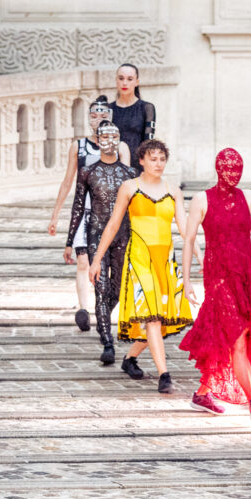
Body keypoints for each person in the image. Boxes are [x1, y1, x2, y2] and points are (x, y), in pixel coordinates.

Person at [179, 148, 251, 416]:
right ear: (218, 169)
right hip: (219, 279)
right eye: (227, 169)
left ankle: (201, 394)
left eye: (237, 169)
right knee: (237, 339)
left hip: (246, 277)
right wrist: (187, 281)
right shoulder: (202, 199)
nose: (232, 174)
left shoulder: (249, 197)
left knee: (240, 334)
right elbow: (188, 241)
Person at [89, 139, 192, 393]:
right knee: (153, 317)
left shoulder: (173, 190)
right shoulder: (129, 187)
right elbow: (113, 224)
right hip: (139, 257)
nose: (158, 164)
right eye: (153, 159)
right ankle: (164, 374)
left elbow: (185, 230)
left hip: (165, 260)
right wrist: (97, 259)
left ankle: (129, 358)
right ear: (142, 161)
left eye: (161, 159)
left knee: (161, 317)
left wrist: (200, 257)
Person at [66, 123, 137, 364]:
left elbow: (137, 210)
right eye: (104, 136)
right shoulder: (88, 171)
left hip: (123, 236)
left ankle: (102, 313)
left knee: (116, 288)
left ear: (119, 139)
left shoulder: (129, 174)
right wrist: (70, 241)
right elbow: (77, 206)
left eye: (114, 135)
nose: (109, 140)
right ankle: (107, 340)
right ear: (97, 139)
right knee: (101, 286)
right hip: (96, 234)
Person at [48, 96, 113, 331]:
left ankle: (101, 307)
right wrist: (56, 215)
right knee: (83, 261)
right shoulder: (80, 146)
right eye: (94, 116)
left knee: (103, 262)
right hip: (84, 210)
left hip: (107, 212)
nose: (98, 120)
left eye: (103, 116)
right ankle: (83, 309)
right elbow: (68, 182)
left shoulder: (117, 145)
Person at [108, 63, 155, 171]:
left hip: (138, 168)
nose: (125, 83)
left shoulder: (147, 108)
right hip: (113, 168)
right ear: (116, 80)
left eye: (130, 79)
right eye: (121, 78)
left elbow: (148, 144)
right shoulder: (108, 109)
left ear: (137, 82)